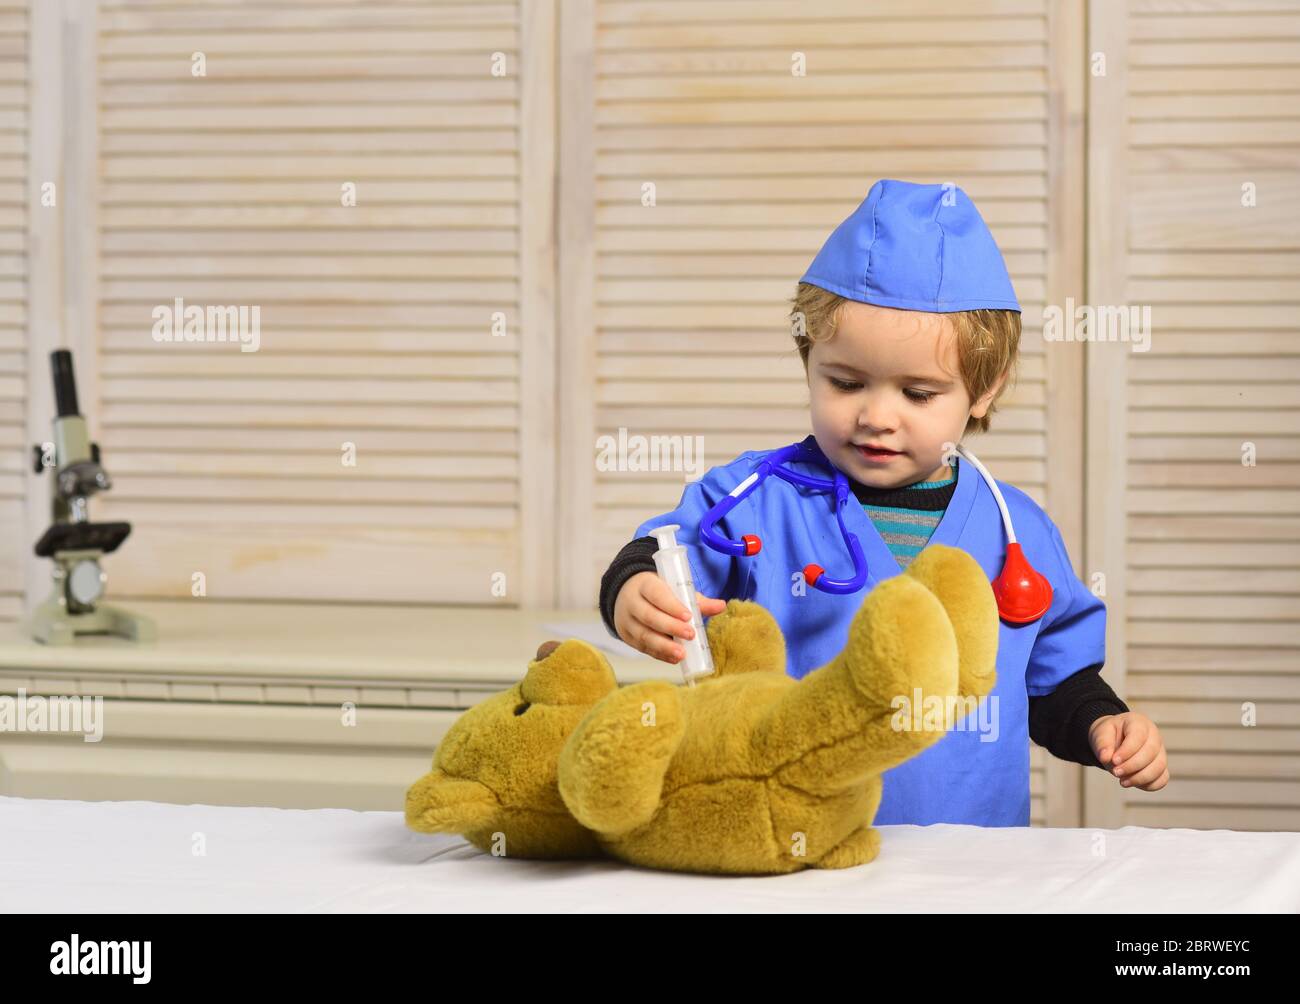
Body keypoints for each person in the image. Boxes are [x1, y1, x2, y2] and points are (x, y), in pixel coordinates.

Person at [598, 179, 1168, 826]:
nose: (876, 416)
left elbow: (1055, 683)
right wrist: (632, 590)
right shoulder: (755, 501)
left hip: (969, 869)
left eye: (918, 394)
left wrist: (1104, 724)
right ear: (808, 358)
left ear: (983, 391)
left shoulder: (1018, 534)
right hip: (797, 853)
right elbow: (662, 555)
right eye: (844, 382)